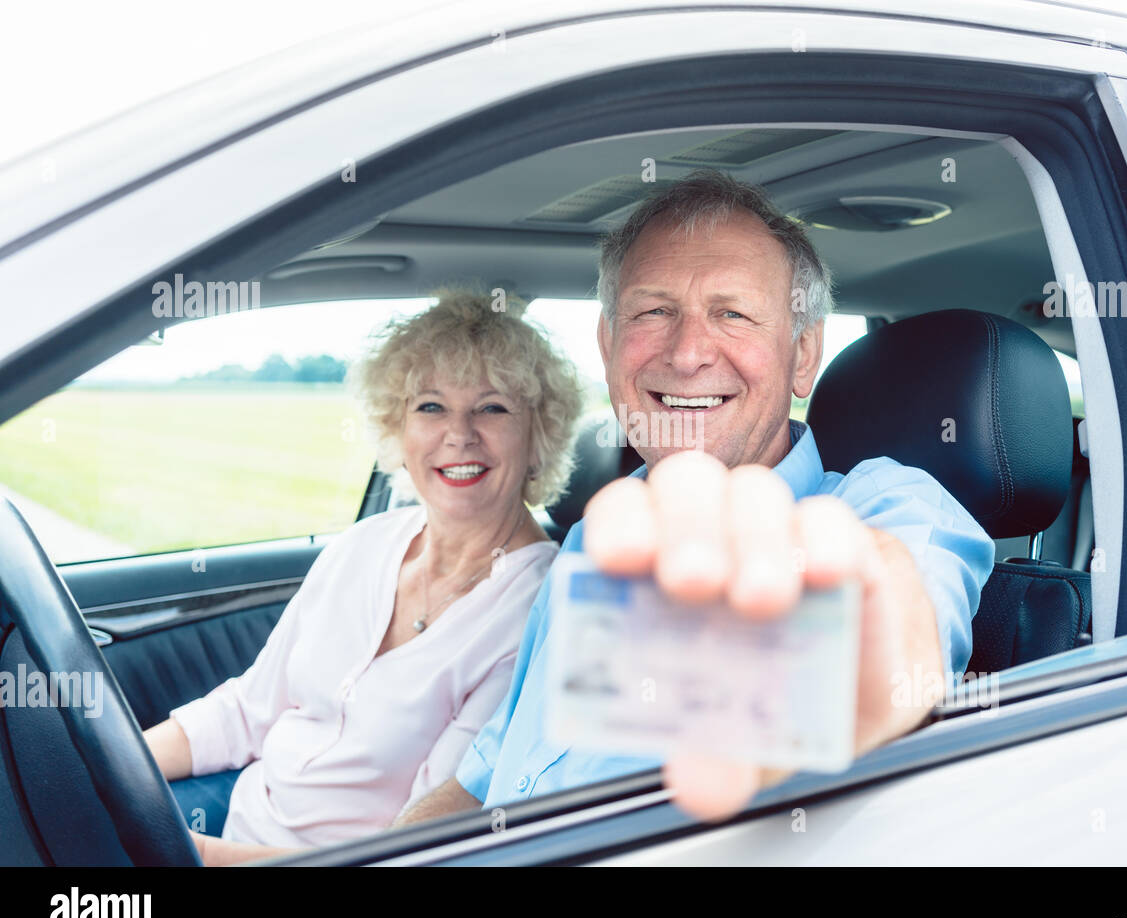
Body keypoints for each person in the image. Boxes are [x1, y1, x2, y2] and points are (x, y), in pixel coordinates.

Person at [396, 170, 997, 825]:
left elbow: (900, 620)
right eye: (654, 311)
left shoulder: (890, 508)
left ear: (802, 354)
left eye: (731, 312)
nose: (686, 354)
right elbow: (485, 781)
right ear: (607, 344)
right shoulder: (589, 540)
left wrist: (849, 666)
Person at [143, 289, 583, 863]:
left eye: (492, 408)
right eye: (430, 406)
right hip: (238, 812)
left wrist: (195, 856)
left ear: (539, 438)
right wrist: (112, 765)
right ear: (395, 429)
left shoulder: (536, 610)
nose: (459, 434)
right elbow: (247, 711)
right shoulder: (363, 545)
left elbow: (415, 842)